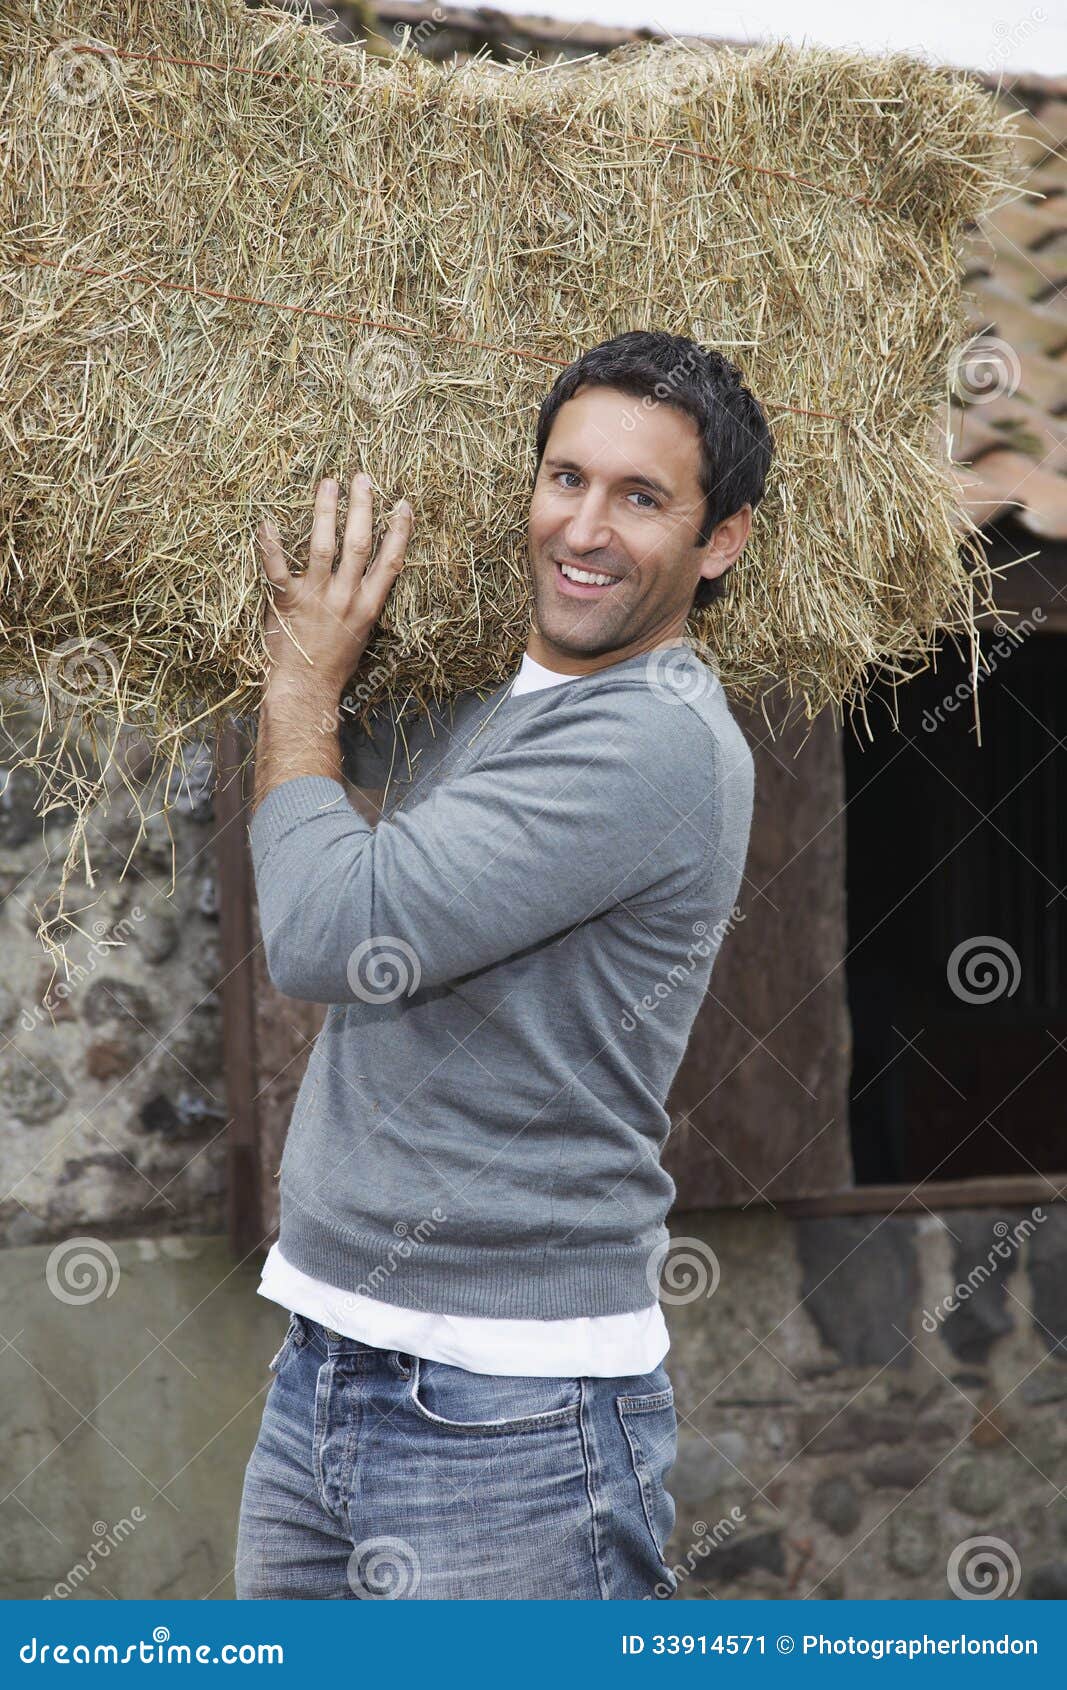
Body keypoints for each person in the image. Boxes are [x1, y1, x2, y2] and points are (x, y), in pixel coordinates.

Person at [234, 329, 772, 1599]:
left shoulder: (656, 743)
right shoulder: (494, 703)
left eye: (641, 499)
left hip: (510, 1416)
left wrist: (302, 681)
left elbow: (329, 934)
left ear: (722, 541)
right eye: (565, 478)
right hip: (327, 1358)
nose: (584, 527)